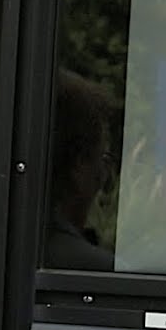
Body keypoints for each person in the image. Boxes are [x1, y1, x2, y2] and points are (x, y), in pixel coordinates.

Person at [43, 68, 118, 271]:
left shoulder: (0, 251)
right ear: (80, 167)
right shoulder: (94, 273)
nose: (103, 178)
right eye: (102, 159)